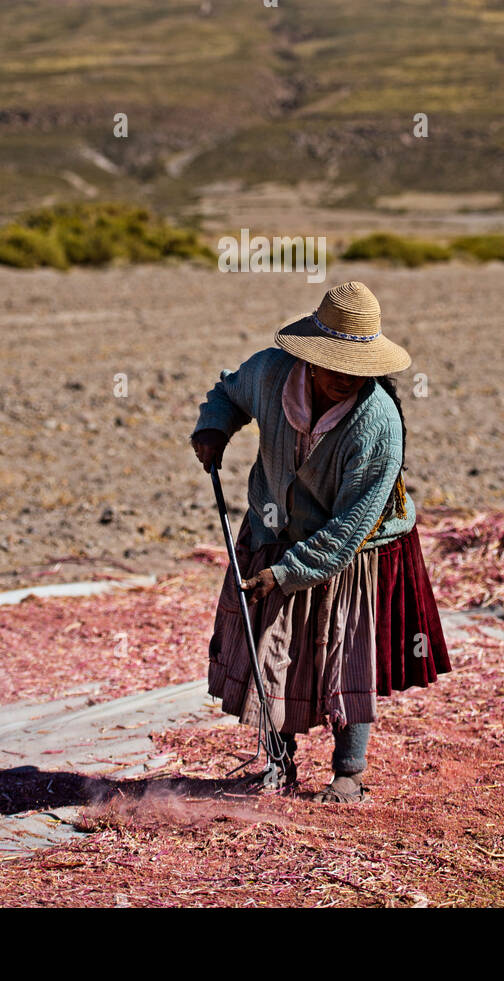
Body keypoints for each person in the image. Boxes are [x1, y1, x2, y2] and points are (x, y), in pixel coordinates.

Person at [190, 280, 451, 802]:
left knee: (345, 654)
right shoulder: (270, 374)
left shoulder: (377, 424)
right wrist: (214, 428)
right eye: (334, 365)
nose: (345, 378)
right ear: (310, 357)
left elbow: (352, 524)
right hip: (275, 524)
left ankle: (349, 772)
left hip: (354, 547)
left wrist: (286, 573)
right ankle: (278, 762)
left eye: (357, 369)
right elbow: (227, 392)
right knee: (272, 647)